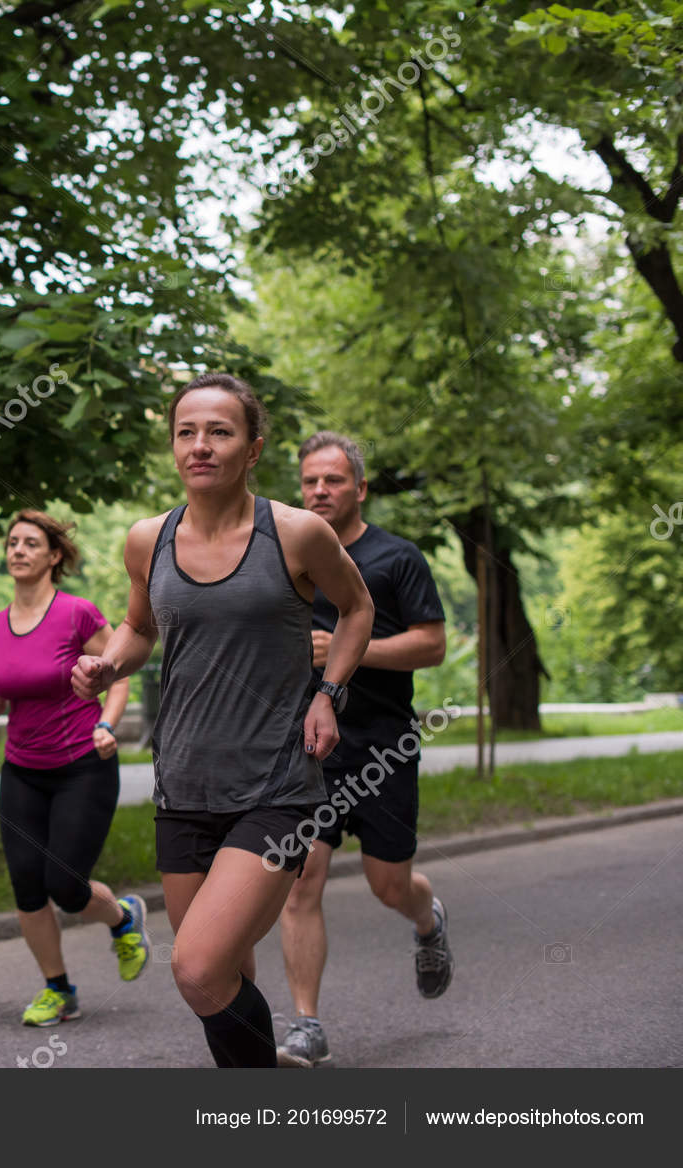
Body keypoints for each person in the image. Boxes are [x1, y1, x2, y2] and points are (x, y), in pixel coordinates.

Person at [73, 372, 374, 1068]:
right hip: (183, 784)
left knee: (198, 968)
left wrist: (329, 691)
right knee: (225, 972)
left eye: (220, 431)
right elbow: (139, 627)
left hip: (276, 787)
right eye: (187, 432)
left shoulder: (297, 533)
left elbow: (357, 610)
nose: (200, 445)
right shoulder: (148, 539)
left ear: (252, 447)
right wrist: (108, 665)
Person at [274, 431, 452, 1069]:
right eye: (310, 482)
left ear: (360, 487)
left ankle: (426, 916)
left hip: (383, 748)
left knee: (388, 885)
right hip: (310, 750)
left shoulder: (395, 558)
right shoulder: (291, 557)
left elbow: (431, 645)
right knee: (301, 884)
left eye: (334, 480)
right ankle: (305, 1024)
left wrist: (348, 651)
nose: (320, 491)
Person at [0, 509, 149, 1028]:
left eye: (30, 543)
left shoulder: (77, 613)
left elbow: (118, 672)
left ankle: (123, 918)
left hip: (83, 764)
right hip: (22, 771)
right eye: (12, 542)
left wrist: (107, 723)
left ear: (53, 556)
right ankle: (59, 990)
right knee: (26, 886)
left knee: (65, 882)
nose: (17, 550)